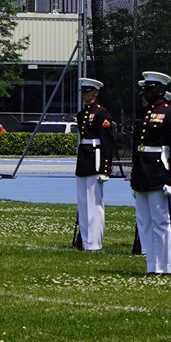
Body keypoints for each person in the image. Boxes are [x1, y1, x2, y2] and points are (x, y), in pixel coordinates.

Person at [130, 72, 171, 275]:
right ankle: (152, 265)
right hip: (143, 172)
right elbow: (137, 148)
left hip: (158, 172)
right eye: (145, 88)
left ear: (161, 90)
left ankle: (165, 266)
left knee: (160, 221)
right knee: (144, 221)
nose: (146, 92)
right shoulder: (146, 114)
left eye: (151, 88)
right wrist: (134, 174)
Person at [73, 77, 113, 251]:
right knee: (83, 203)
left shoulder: (102, 114)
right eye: (83, 92)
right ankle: (85, 240)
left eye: (87, 92)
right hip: (84, 158)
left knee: (94, 204)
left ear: (95, 93)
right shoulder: (82, 114)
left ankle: (95, 243)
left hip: (95, 158)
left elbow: (107, 143)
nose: (84, 95)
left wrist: (105, 168)